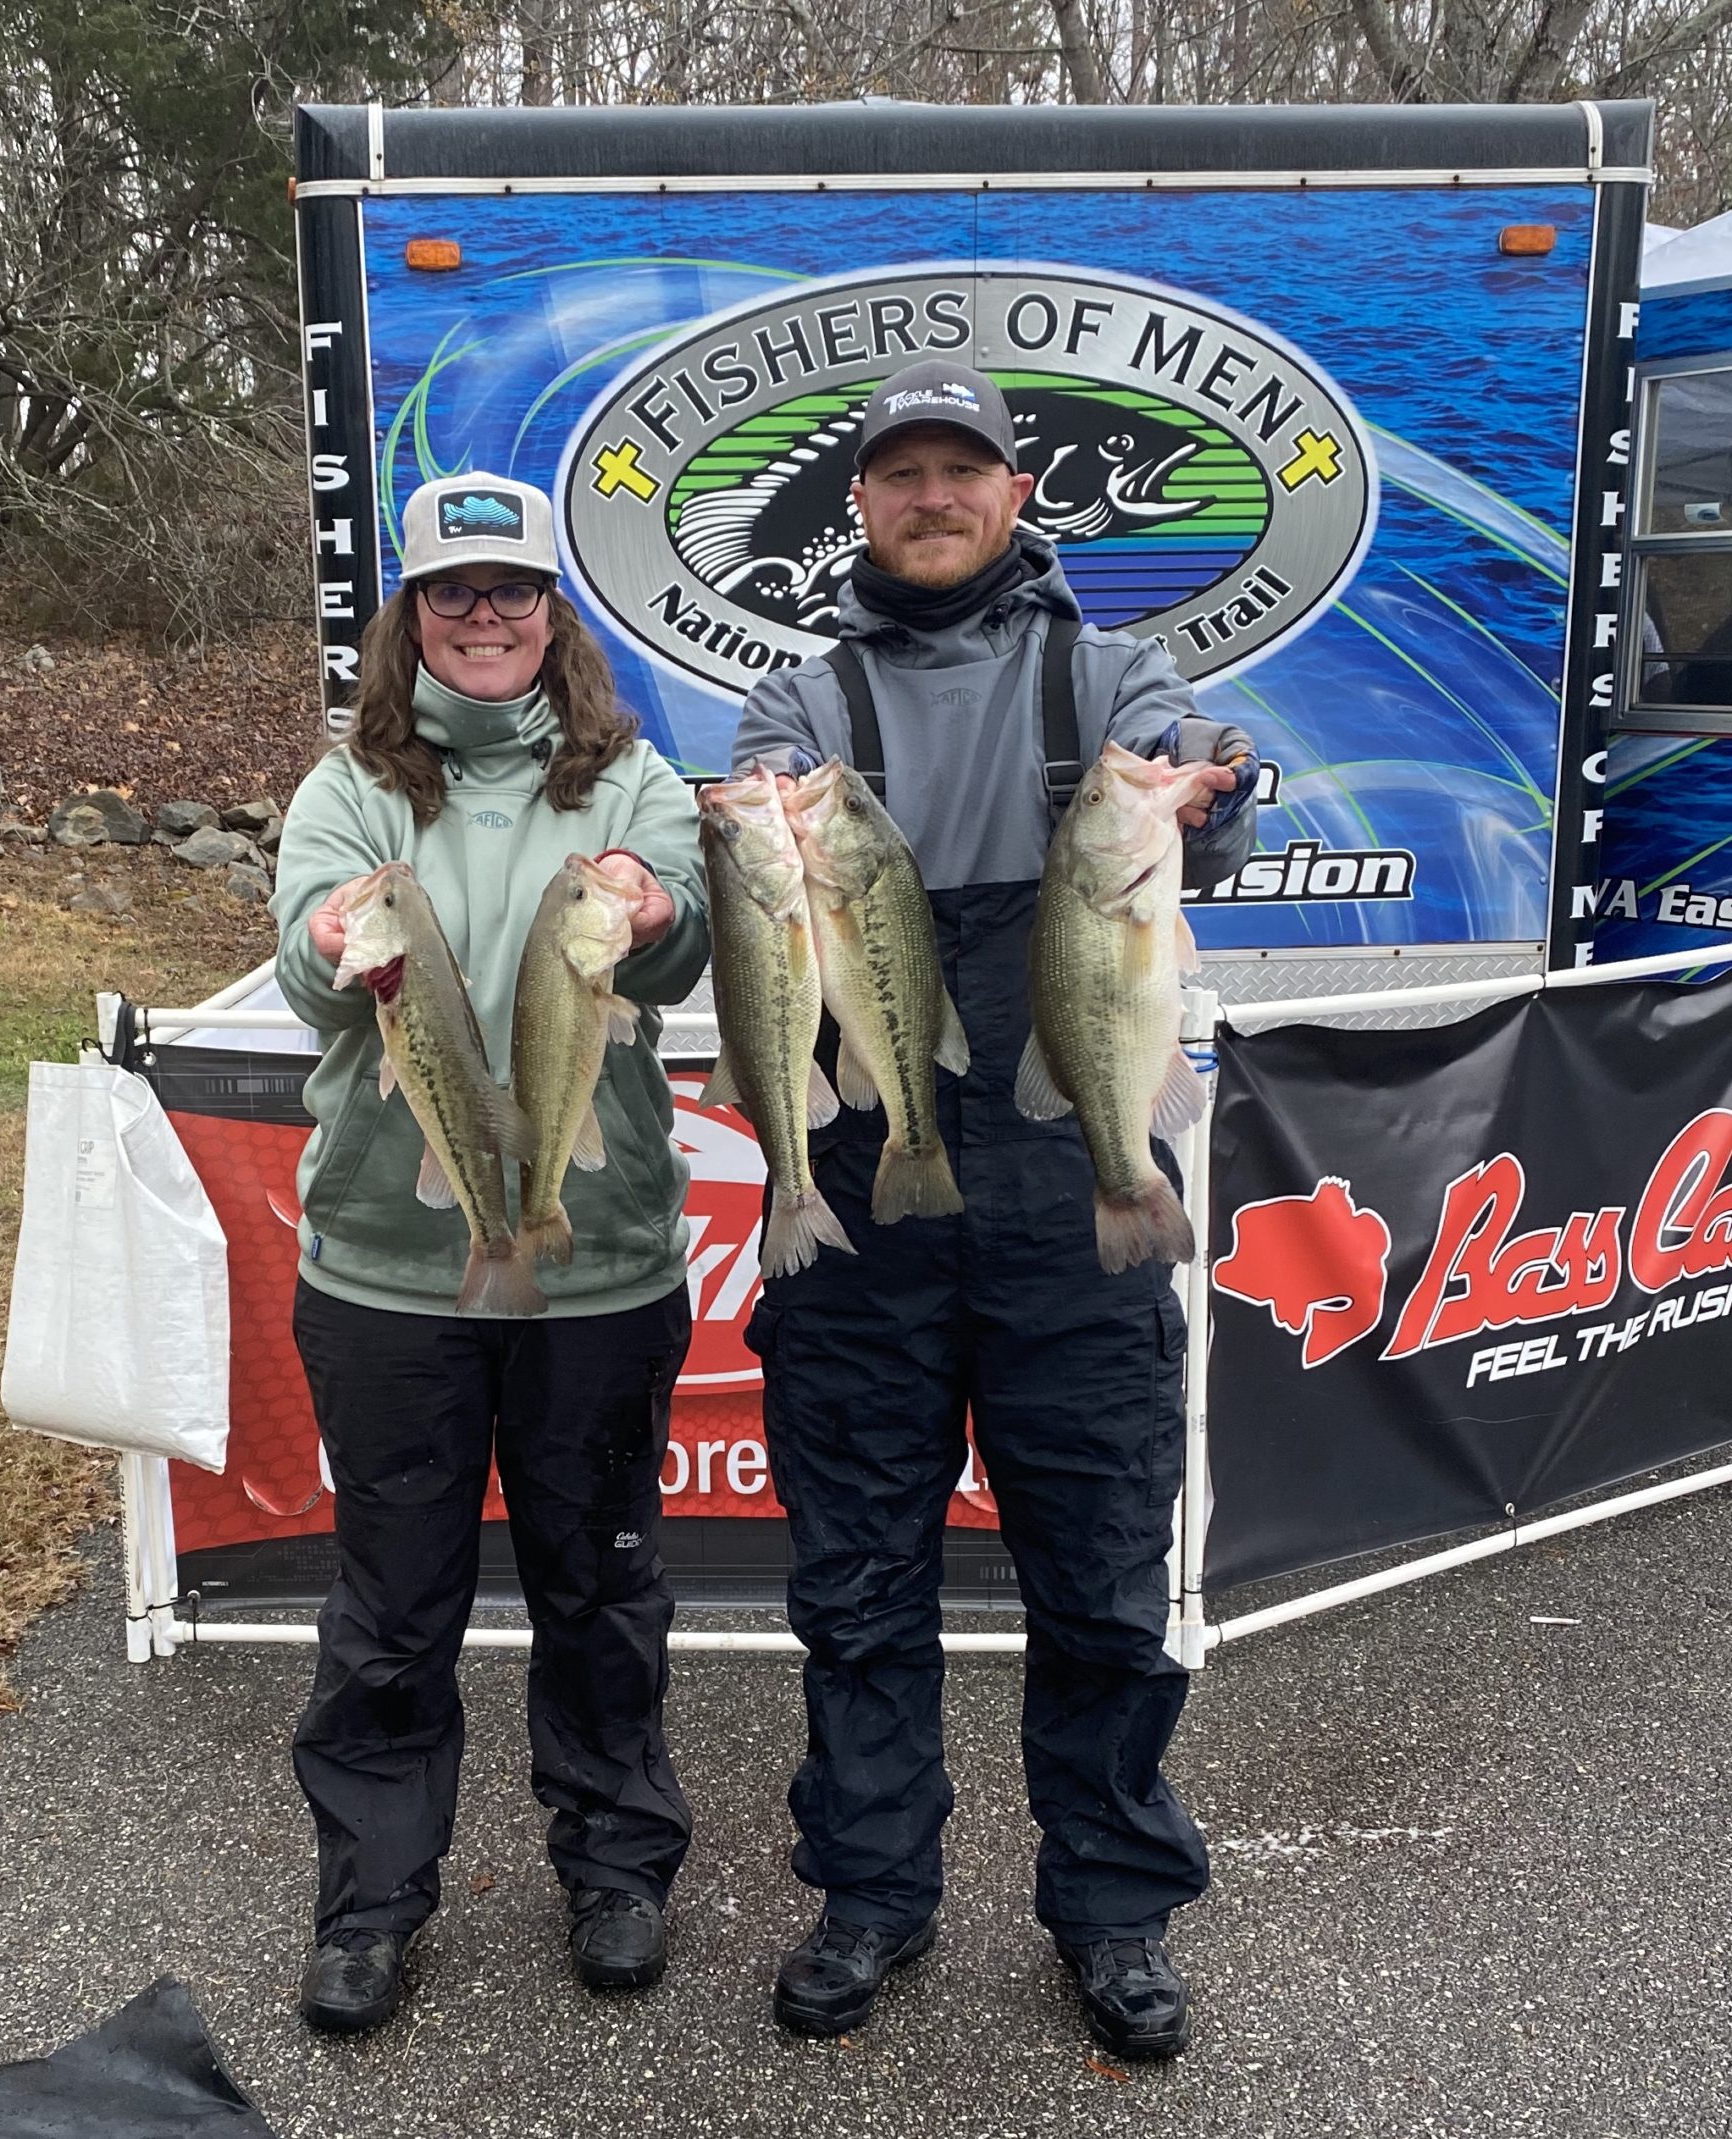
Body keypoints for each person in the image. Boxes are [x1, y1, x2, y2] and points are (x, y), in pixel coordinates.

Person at [731, 362, 1259, 2059]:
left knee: (1102, 1573)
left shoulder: (1115, 678)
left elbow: (1213, 828)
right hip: (874, 1196)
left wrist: (1214, 806)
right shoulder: (797, 713)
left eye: (966, 471)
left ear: (1016, 498)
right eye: (903, 475)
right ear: (862, 506)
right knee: (859, 1579)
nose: (934, 498)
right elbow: (751, 895)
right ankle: (873, 1892)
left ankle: (1110, 1908)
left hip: (1071, 1187)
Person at [270, 473, 709, 2034]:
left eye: (509, 591)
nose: (480, 616)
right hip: (390, 1268)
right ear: (409, 618)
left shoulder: (635, 783)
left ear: (552, 614)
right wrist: (333, 943)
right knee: (395, 1604)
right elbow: (314, 973)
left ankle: (616, 1866)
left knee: (598, 1584)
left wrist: (651, 913)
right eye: (449, 592)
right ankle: (373, 1898)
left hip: (598, 1268)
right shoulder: (349, 794)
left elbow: (679, 940)